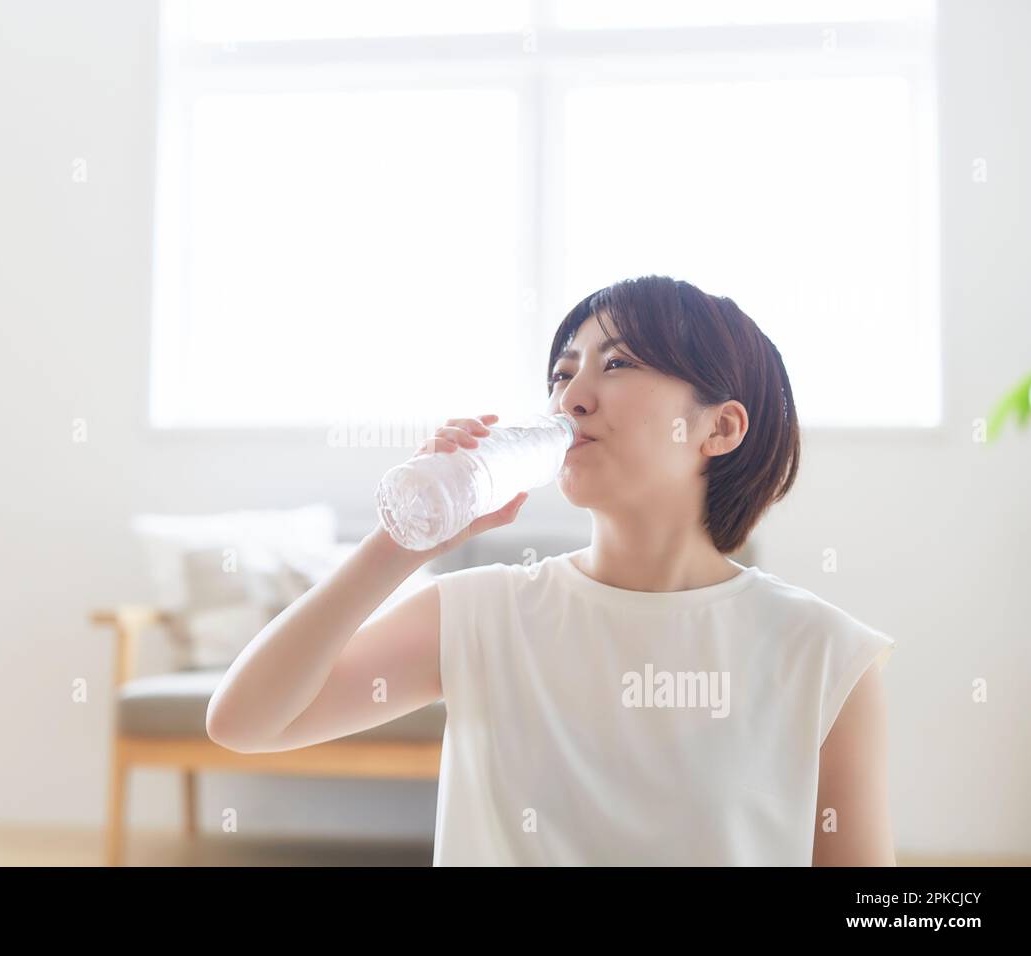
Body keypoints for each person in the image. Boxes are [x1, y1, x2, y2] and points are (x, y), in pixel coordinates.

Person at [206, 275, 898, 866]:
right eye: (563, 375)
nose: (571, 398)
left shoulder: (822, 652)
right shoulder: (482, 613)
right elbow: (245, 722)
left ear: (719, 429)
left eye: (618, 364)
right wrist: (402, 541)